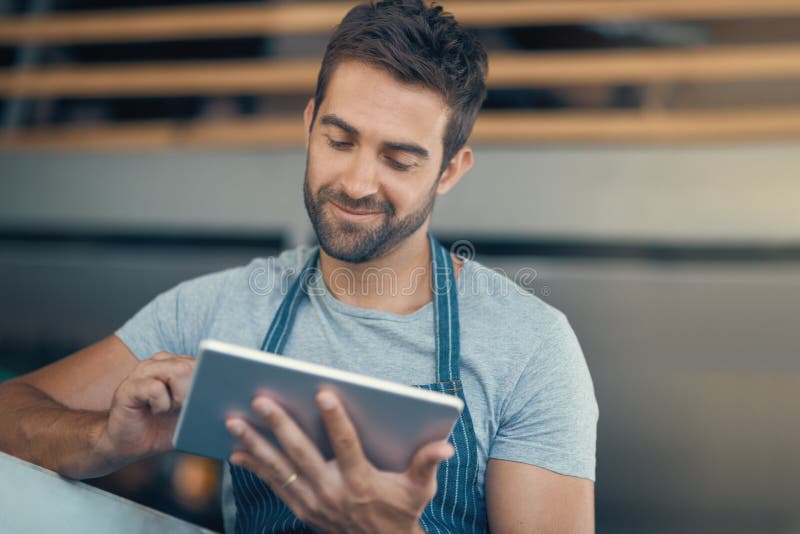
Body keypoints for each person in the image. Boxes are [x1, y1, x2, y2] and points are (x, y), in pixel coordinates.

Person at [0, 1, 598, 532]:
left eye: (399, 160)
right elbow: (9, 411)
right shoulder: (220, 307)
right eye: (340, 141)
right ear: (309, 122)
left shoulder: (531, 348)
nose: (358, 183)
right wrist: (101, 441)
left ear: (449, 170)